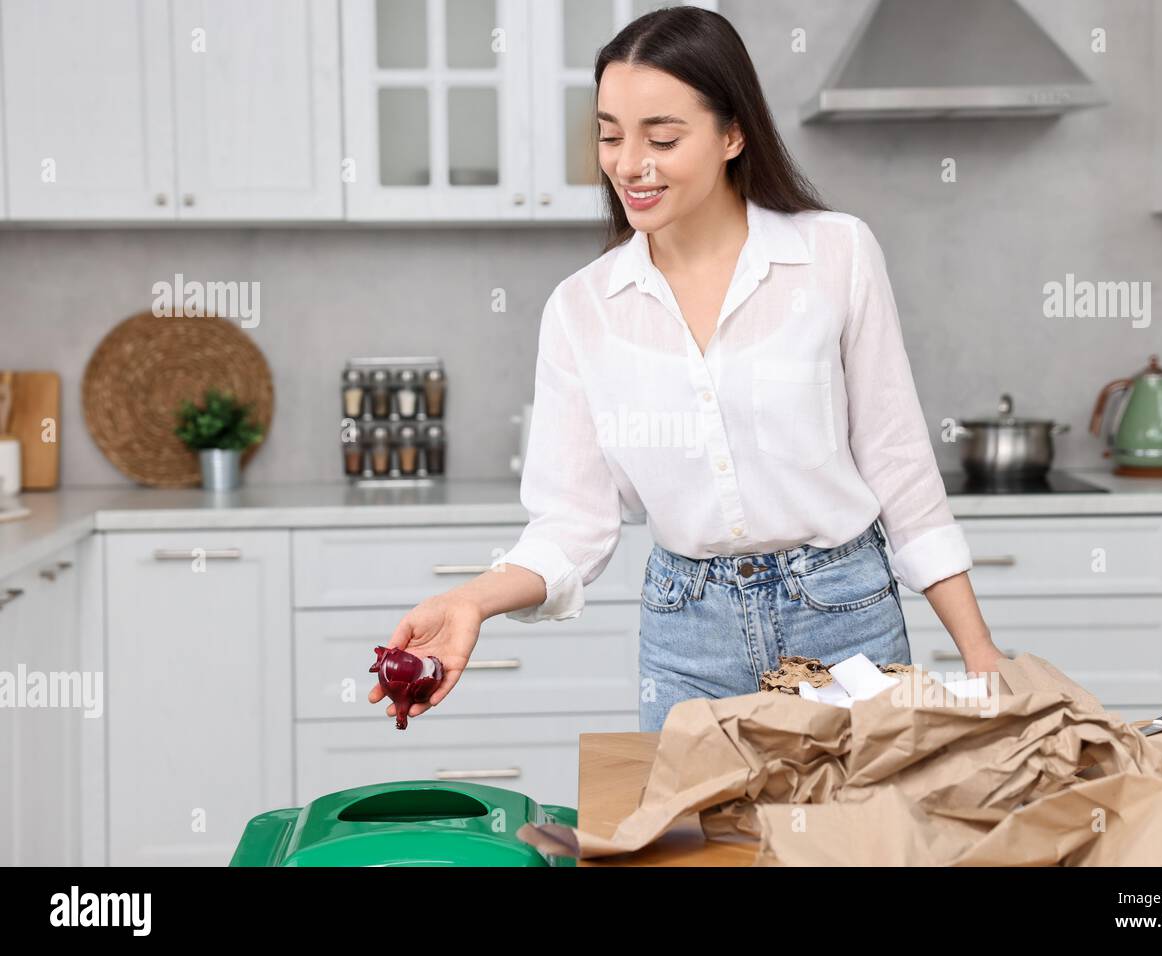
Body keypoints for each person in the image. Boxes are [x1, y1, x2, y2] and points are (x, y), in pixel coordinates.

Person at [370, 6, 1005, 732]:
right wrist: (469, 599)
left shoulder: (835, 255)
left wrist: (978, 652)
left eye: (661, 137)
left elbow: (899, 465)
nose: (627, 164)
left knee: (851, 837)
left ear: (733, 133)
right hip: (686, 634)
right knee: (695, 844)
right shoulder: (583, 309)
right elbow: (572, 524)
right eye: (610, 135)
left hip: (844, 619)